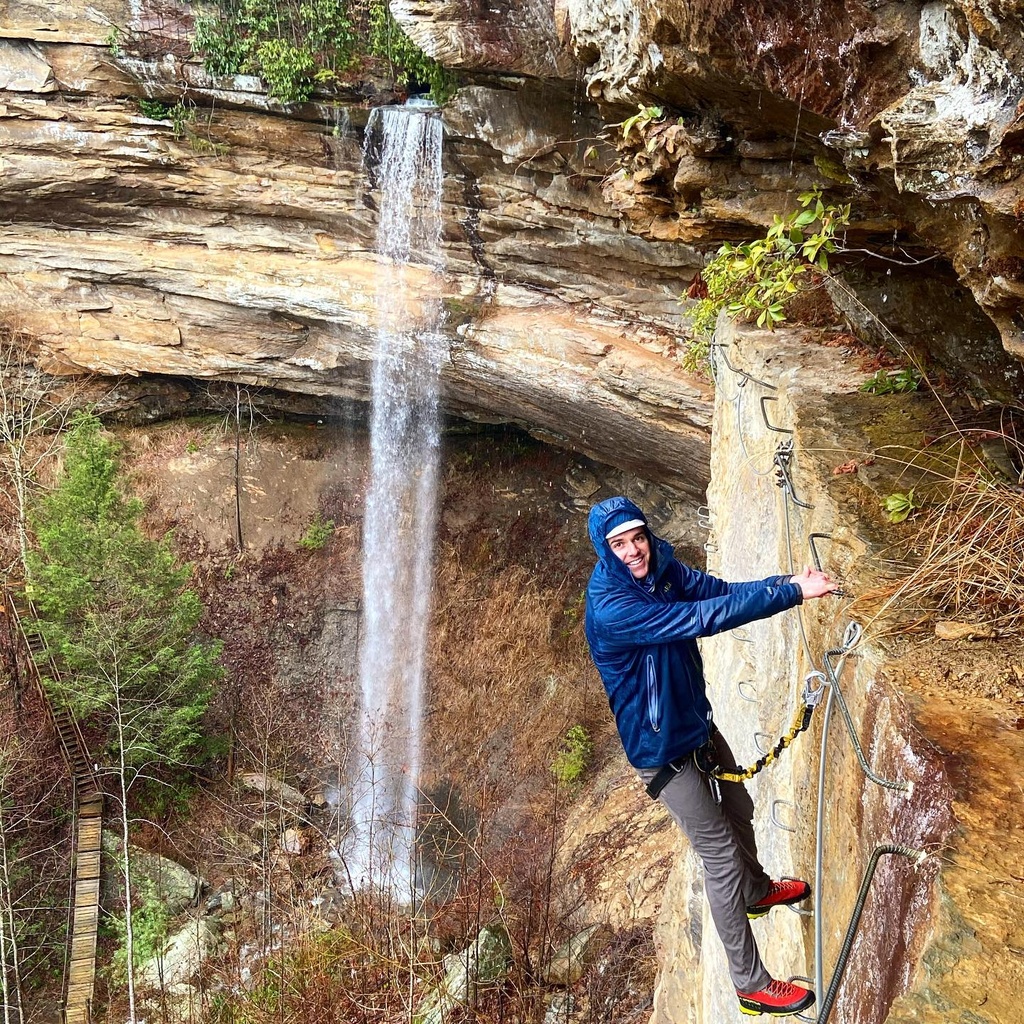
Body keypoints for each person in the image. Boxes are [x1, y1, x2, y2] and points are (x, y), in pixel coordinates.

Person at [584, 496, 839, 1018]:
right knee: (720, 857)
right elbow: (703, 617)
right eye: (620, 544)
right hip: (661, 753)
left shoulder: (663, 569)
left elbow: (718, 592)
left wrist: (784, 580)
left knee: (740, 806)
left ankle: (757, 891)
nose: (634, 550)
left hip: (694, 725)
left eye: (638, 537)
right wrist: (792, 594)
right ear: (605, 551)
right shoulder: (612, 607)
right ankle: (751, 984)